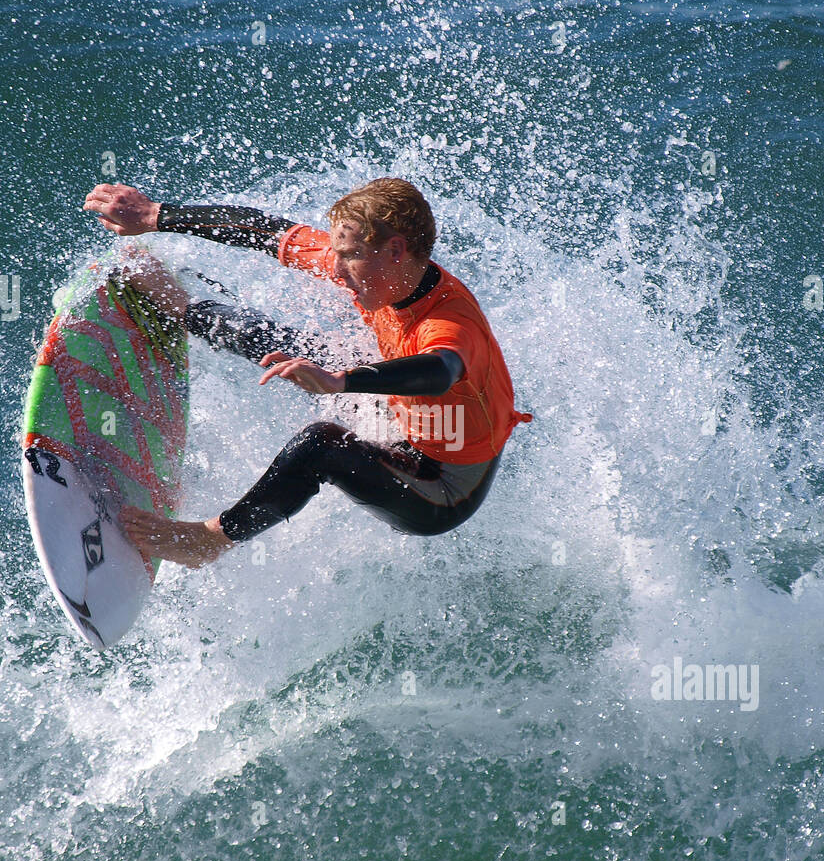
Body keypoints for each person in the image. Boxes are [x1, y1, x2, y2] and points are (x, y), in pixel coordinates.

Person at [82, 177, 532, 568]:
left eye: (348, 256)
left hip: (439, 487)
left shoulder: (450, 324)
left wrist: (343, 381)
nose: (335, 269)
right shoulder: (381, 269)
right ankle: (178, 306)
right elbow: (264, 229)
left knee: (321, 444)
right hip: (410, 419)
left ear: (395, 249)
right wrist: (157, 215)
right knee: (285, 348)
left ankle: (209, 541)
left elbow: (440, 370)